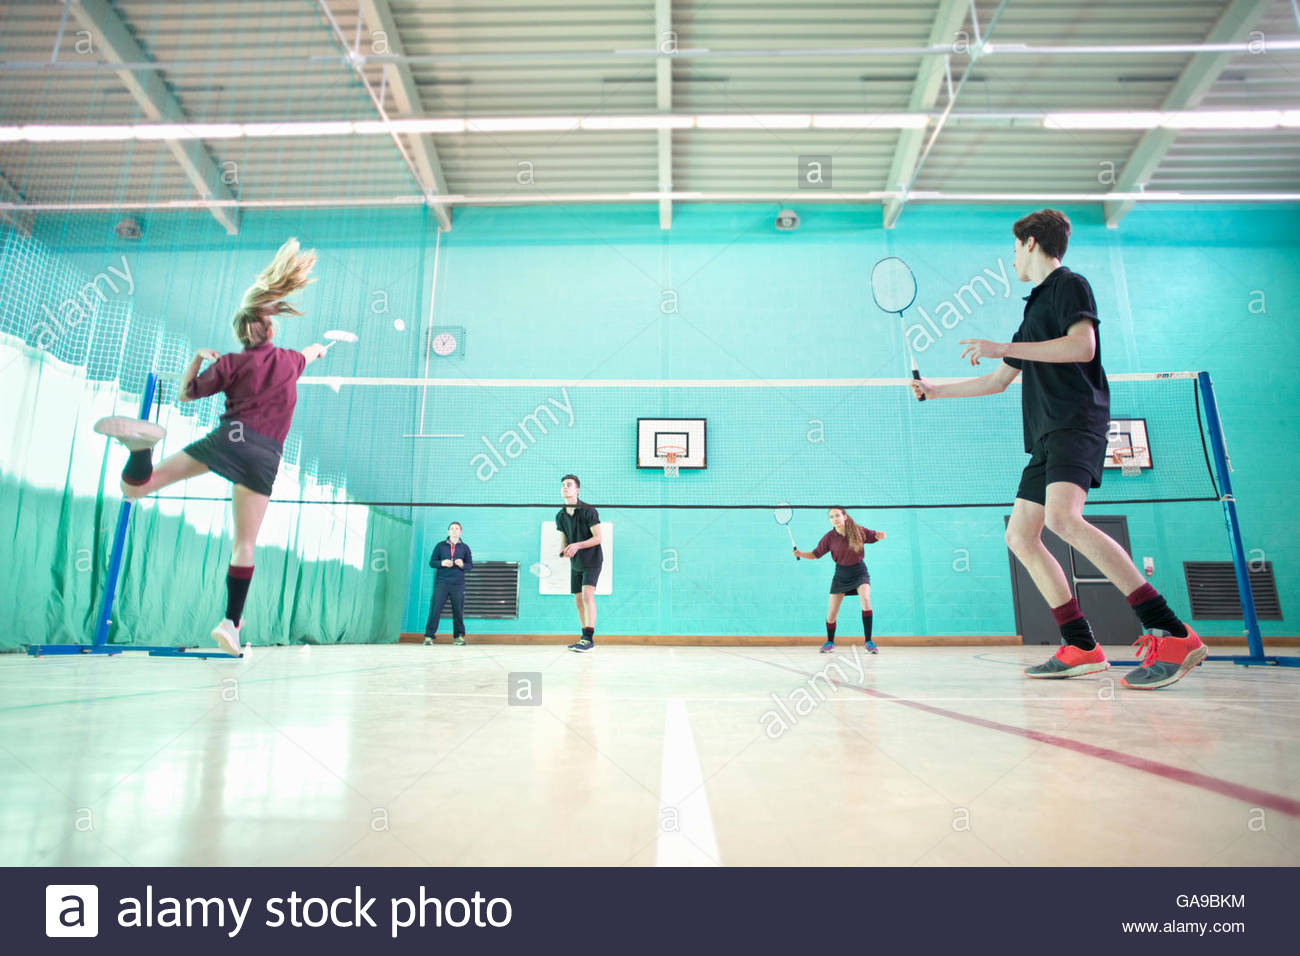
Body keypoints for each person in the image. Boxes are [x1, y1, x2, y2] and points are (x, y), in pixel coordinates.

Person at [910, 209, 1205, 689]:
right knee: (1021, 536)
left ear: (1030, 243)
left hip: (1077, 420)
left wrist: (1001, 344)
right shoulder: (1032, 313)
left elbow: (1081, 347)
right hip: (1046, 437)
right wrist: (937, 391)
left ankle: (1173, 632)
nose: (1010, 259)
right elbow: (998, 380)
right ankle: (1081, 644)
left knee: (1062, 520)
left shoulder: (1070, 284)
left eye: (1012, 249)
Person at [92, 238, 329, 656]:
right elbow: (310, 353)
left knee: (136, 489)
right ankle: (230, 623)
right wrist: (319, 351)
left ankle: (140, 451)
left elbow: (185, 395)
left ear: (243, 333)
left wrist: (197, 360)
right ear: (270, 329)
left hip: (227, 441)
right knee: (244, 543)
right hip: (263, 457)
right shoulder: (291, 361)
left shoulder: (231, 363)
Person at [794, 508, 886, 653]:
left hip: (859, 572)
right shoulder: (829, 537)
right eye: (831, 517)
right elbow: (816, 554)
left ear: (845, 517)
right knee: (831, 614)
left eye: (837, 515)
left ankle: (869, 642)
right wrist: (801, 554)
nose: (834, 519)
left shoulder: (858, 531)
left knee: (866, 600)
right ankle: (830, 642)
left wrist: (879, 536)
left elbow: (873, 536)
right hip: (841, 575)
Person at [556, 474, 602, 653]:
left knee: (587, 596)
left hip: (592, 559)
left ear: (577, 490)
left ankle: (589, 639)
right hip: (576, 562)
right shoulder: (560, 516)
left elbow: (598, 538)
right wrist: (563, 551)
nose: (565, 488)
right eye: (563, 485)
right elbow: (564, 541)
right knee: (577, 600)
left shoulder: (589, 510)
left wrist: (577, 545)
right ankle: (584, 637)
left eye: (569, 485)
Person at [425, 521, 472, 645]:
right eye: (452, 528)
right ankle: (429, 637)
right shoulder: (440, 546)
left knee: (458, 610)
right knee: (435, 609)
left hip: (458, 584)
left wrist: (462, 564)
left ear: (460, 532)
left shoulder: (465, 547)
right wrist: (442, 563)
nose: (454, 530)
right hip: (442, 583)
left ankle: (458, 637)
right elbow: (432, 563)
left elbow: (470, 565)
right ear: (448, 531)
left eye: (457, 528)